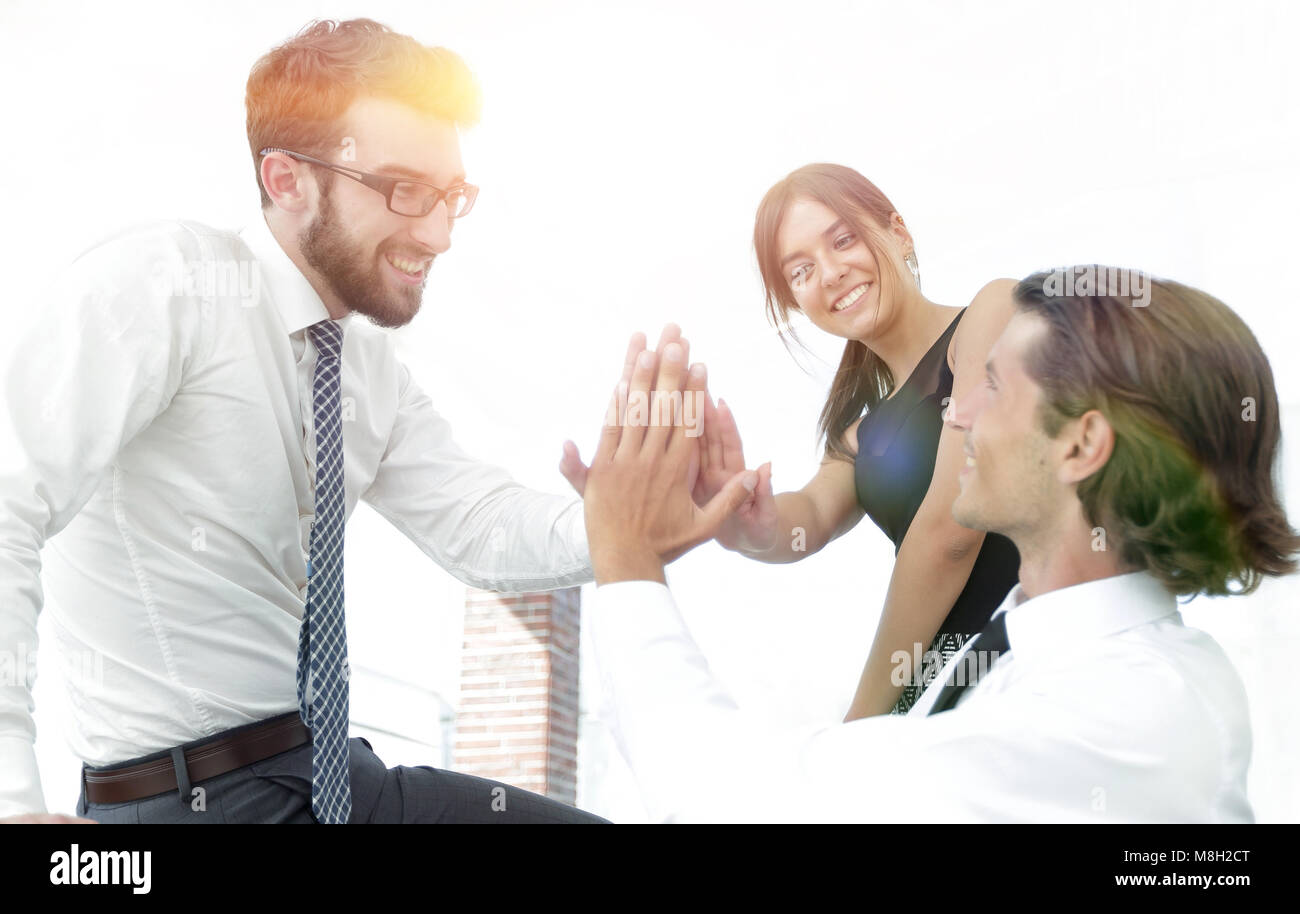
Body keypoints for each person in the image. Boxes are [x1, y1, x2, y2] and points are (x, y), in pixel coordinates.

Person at [0, 18, 608, 823]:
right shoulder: (167, 283)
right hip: (183, 804)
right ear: (286, 180)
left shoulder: (365, 367)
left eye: (452, 196)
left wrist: (635, 525)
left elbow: (479, 524)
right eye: (405, 191)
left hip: (333, 778)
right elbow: (10, 496)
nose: (438, 233)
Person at [579, 266, 1299, 822]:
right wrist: (742, 515)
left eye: (989, 385)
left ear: (1081, 444)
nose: (958, 417)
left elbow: (730, 804)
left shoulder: (1124, 711)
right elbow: (801, 519)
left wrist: (625, 555)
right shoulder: (1023, 666)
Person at [568, 163, 1023, 719]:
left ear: (898, 231)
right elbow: (805, 520)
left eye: (843, 239)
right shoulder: (859, 434)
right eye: (802, 271)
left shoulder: (992, 312)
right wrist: (737, 517)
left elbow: (950, 532)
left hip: (1031, 667)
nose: (830, 274)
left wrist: (863, 720)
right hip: (946, 701)